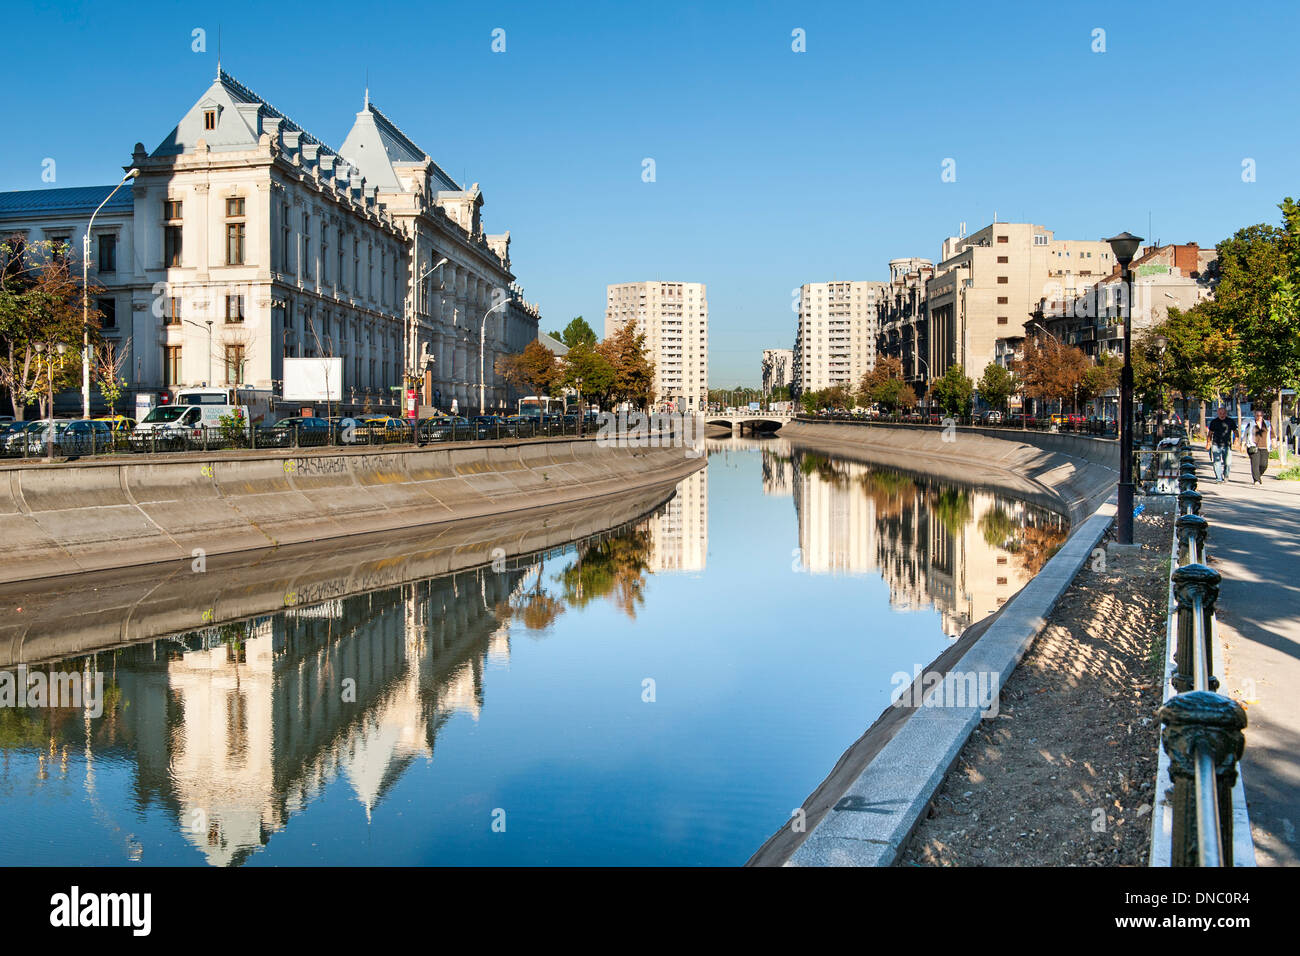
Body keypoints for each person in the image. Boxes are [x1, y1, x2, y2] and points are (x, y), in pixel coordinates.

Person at [1205, 405, 1238, 483]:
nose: (1222, 415)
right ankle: (1219, 478)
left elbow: (1235, 431)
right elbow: (1210, 434)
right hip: (1216, 444)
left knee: (1228, 462)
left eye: (1223, 413)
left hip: (1227, 444)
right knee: (1216, 462)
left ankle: (1226, 474)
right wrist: (1208, 443)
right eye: (1220, 413)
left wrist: (1236, 439)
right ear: (1218, 413)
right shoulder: (1214, 422)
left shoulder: (1230, 421)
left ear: (1226, 413)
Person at [1244, 407, 1271, 485]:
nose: (1259, 417)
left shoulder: (1267, 424)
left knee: (1264, 464)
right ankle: (1256, 480)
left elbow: (1271, 434)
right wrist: (1243, 444)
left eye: (1260, 415)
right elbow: (1246, 434)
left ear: (1263, 416)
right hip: (1253, 447)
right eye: (1257, 415)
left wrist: (1274, 441)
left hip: (1265, 447)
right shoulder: (1251, 423)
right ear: (1254, 415)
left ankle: (1258, 475)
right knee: (1255, 464)